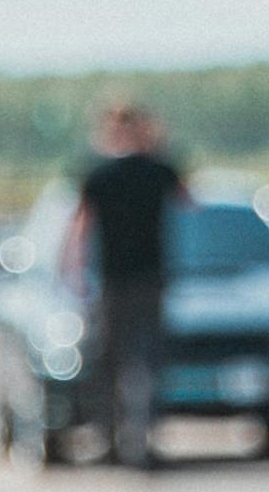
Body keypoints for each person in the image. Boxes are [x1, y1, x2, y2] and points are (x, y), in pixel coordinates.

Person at [63, 94, 184, 469]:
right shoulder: (159, 169)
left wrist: (75, 272)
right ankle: (136, 439)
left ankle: (117, 438)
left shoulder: (98, 172)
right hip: (144, 280)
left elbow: (80, 227)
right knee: (140, 361)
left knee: (113, 362)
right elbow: (189, 203)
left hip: (118, 282)